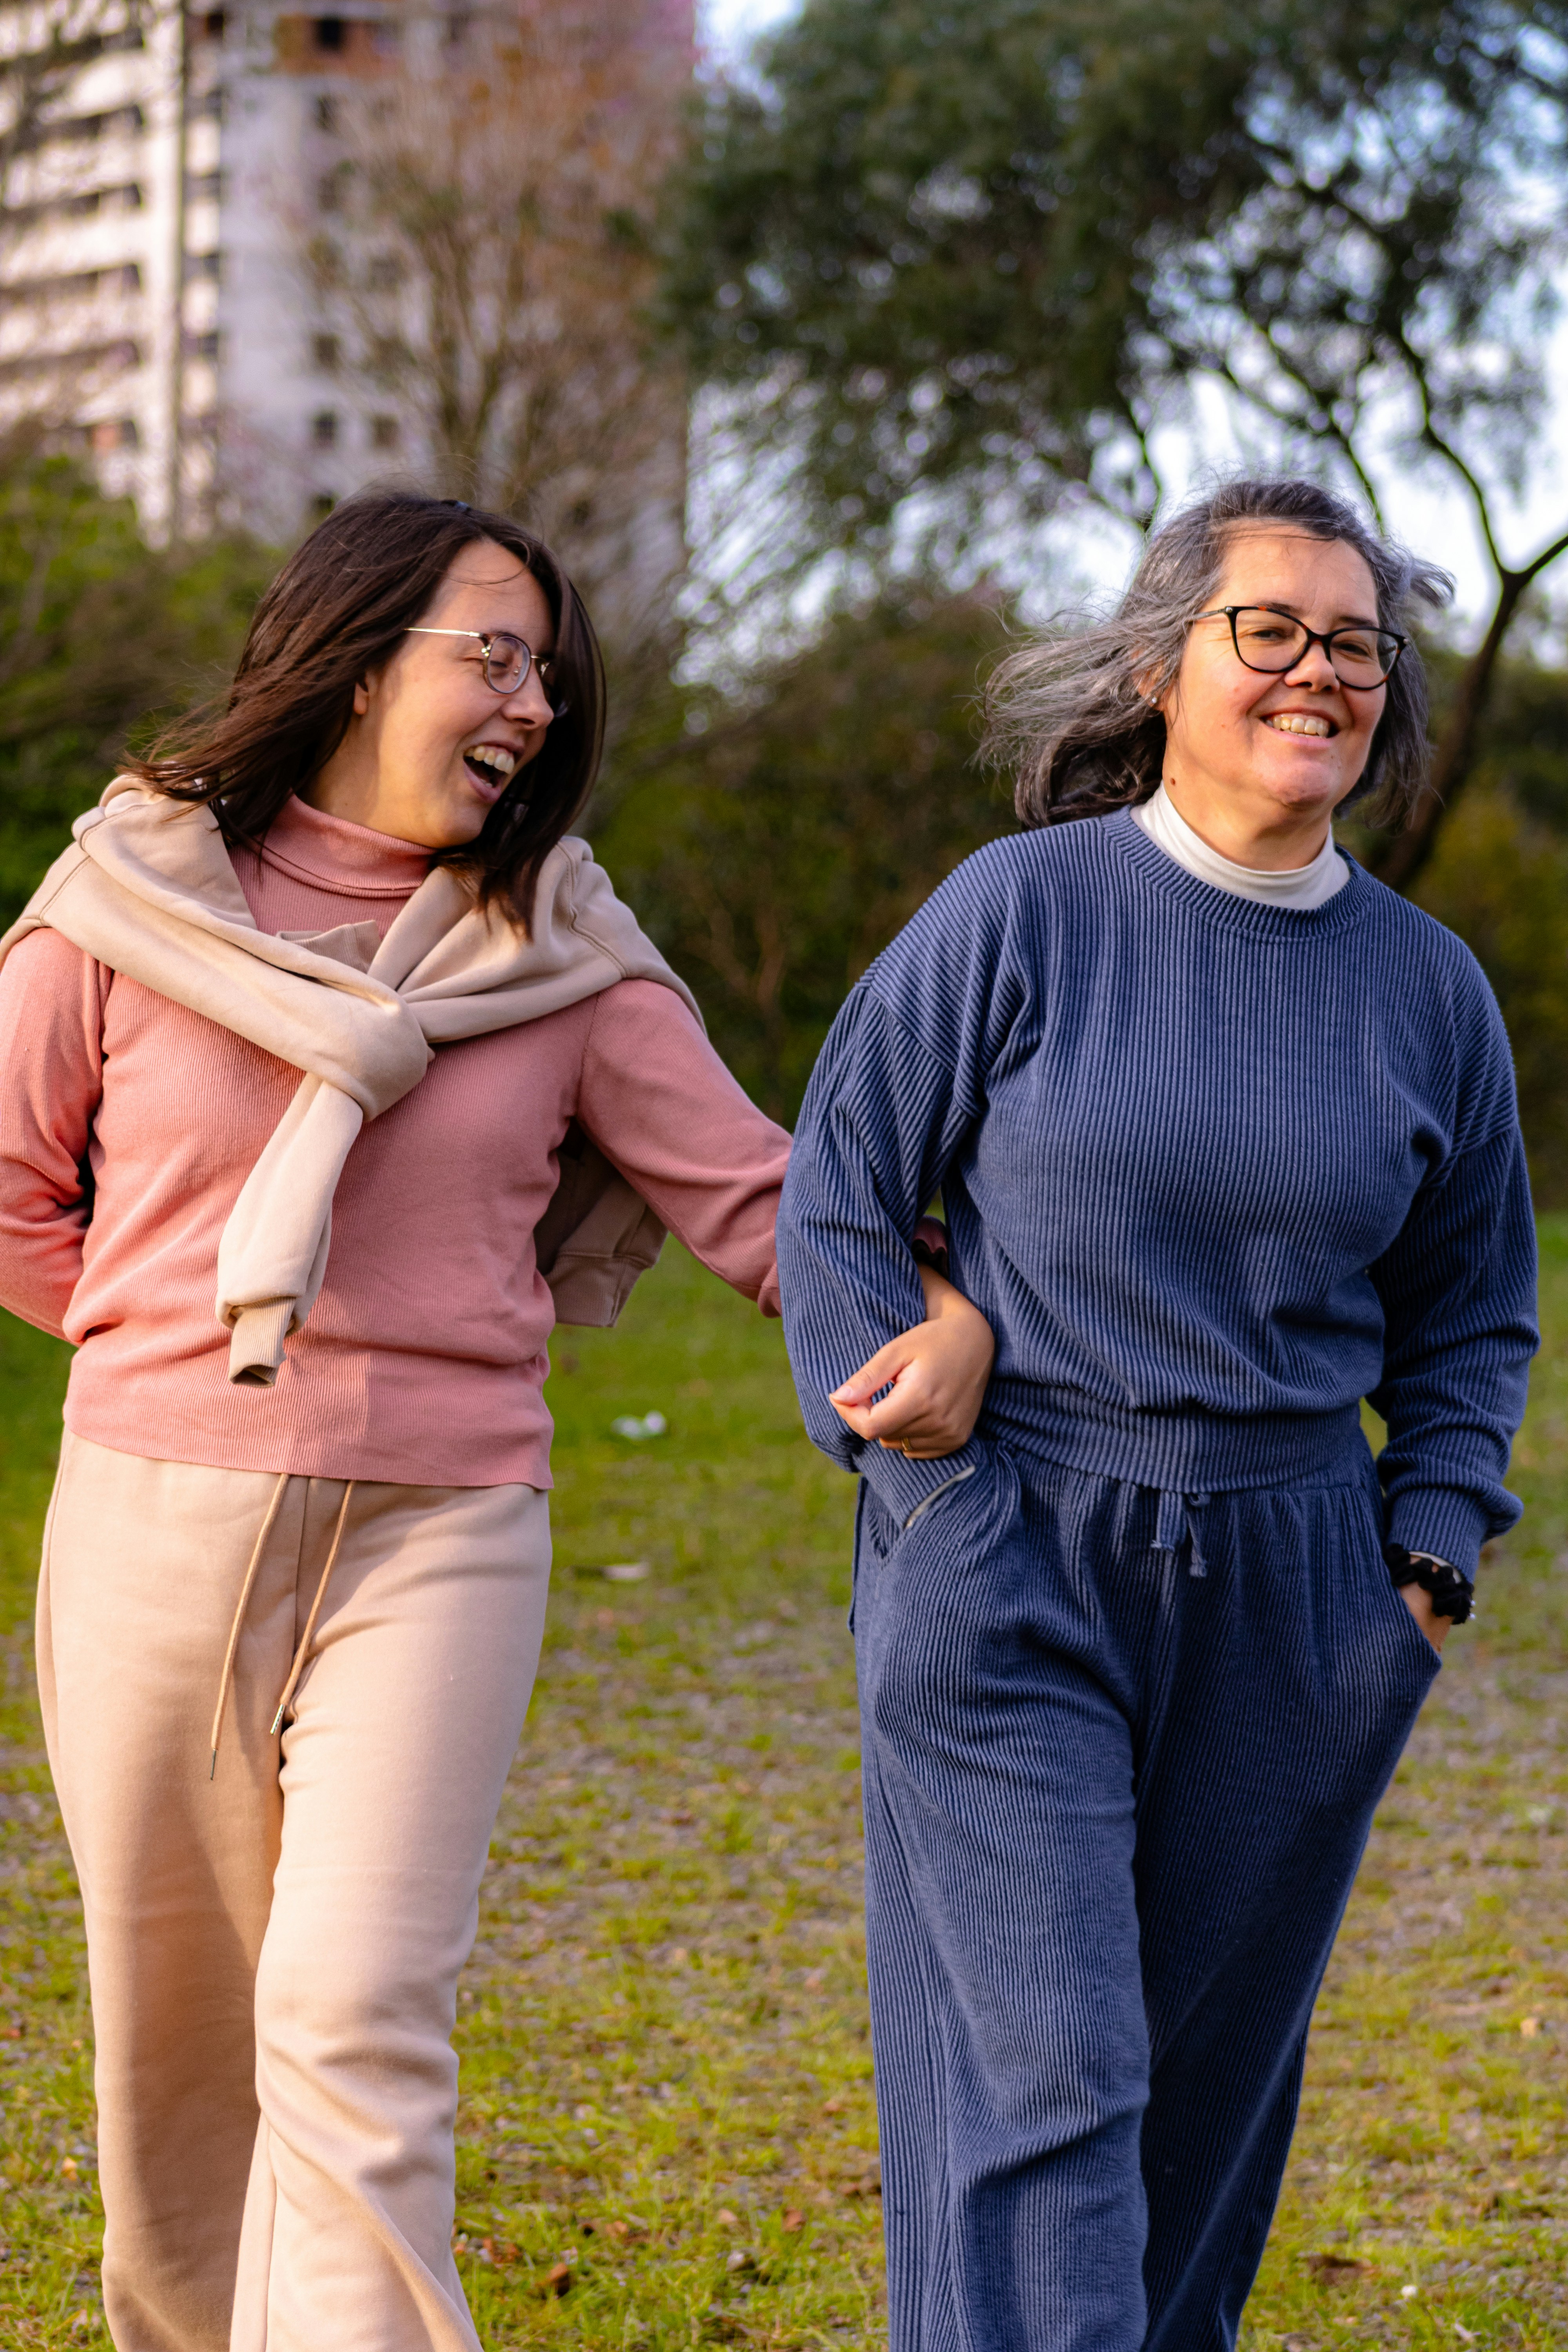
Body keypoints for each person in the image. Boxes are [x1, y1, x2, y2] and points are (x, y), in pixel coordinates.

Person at [0, 491, 994, 2352]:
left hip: (442, 1527)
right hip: (157, 1515)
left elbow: (770, 1201)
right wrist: (168, 1351)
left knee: (357, 2015)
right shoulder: (129, 904)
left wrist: (947, 1313)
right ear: (362, 657)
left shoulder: (558, 949)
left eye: (546, 667)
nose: (532, 702)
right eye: (495, 655)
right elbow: (7, 1184)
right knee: (179, 2042)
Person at [776, 477, 1538, 2352]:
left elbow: (1471, 1315)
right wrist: (910, 1421)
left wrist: (1423, 1560)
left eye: (1354, 644)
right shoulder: (1021, 912)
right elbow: (841, 1189)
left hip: (1300, 1595)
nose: (1317, 673)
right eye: (1265, 630)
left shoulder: (1428, 994)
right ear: (1154, 664)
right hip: (1012, 1544)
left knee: (1199, 2100)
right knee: (1052, 2078)